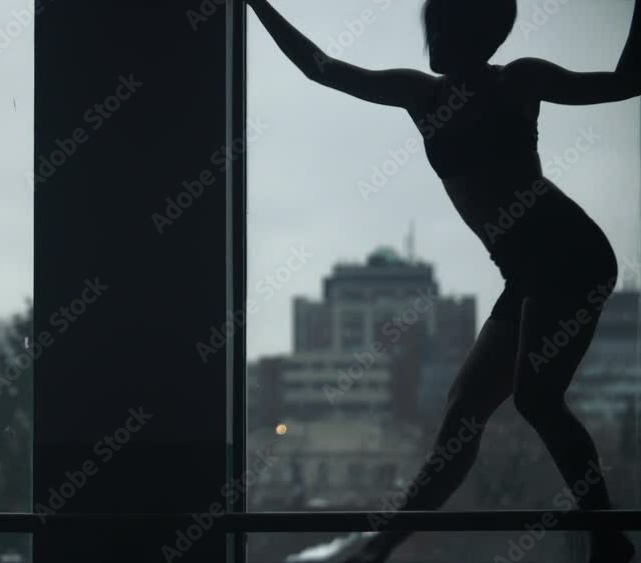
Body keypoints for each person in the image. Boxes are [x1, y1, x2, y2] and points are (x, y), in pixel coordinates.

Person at [245, 0, 641, 561]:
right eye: (432, 24)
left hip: (569, 256)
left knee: (536, 398)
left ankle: (609, 542)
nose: (433, 36)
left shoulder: (520, 79)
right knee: (464, 414)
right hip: (525, 271)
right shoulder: (420, 94)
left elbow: (628, 83)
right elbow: (321, 67)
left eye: (444, 24)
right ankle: (379, 550)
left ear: (481, 32)